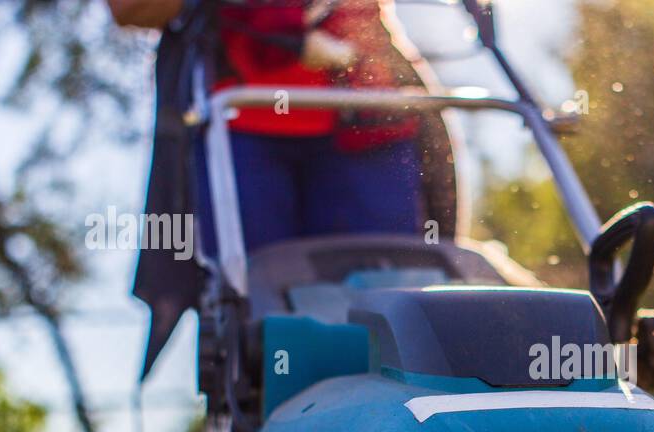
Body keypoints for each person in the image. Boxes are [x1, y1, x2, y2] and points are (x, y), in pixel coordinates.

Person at [114, 0, 455, 378]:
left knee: (398, 298)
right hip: (245, 120)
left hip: (369, 110)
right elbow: (130, 8)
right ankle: (266, 421)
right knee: (262, 313)